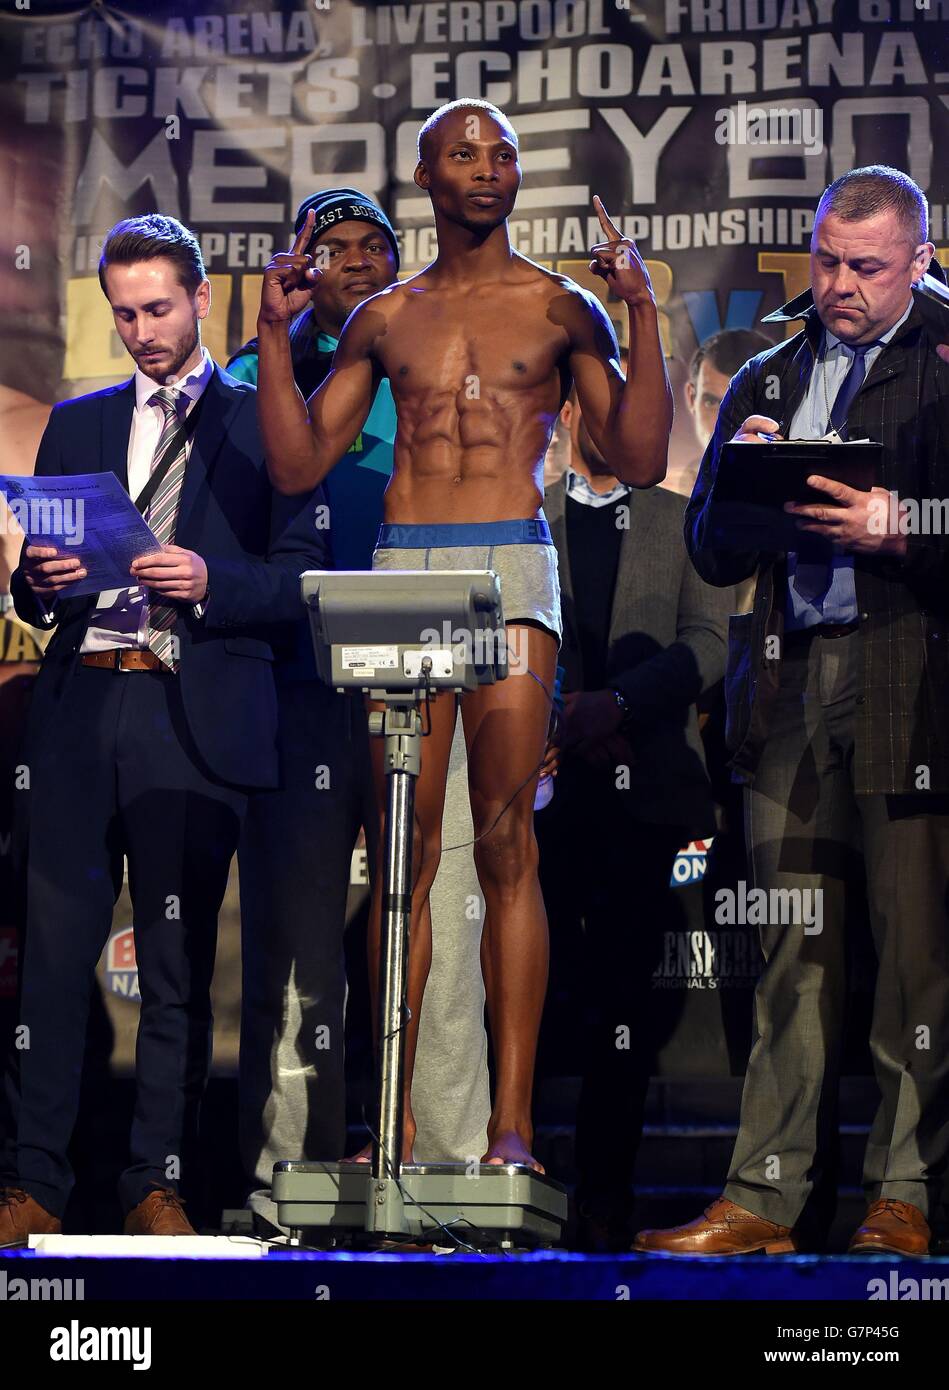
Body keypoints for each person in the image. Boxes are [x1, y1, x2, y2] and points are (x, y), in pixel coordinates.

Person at [255, 98, 672, 1171]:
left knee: (504, 844)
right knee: (402, 857)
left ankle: (510, 1129)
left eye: (502, 155)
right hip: (406, 563)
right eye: (463, 155)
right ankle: (393, 1129)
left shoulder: (561, 304)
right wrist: (267, 330)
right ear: (428, 178)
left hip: (512, 560)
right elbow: (299, 468)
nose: (487, 169)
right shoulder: (386, 316)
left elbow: (638, 456)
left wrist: (641, 317)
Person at [636, 166, 949, 1257]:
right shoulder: (769, 373)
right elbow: (711, 545)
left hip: (910, 677)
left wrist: (905, 522)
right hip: (784, 678)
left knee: (914, 958)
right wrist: (749, 481)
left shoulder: (944, 363)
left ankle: (901, 1193)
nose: (840, 284)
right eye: (826, 261)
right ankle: (765, 1198)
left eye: (865, 266)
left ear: (919, 259)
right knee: (790, 949)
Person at [0, 214, 326, 1243]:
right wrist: (36, 578)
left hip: (193, 711)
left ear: (200, 302)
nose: (142, 330)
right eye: (124, 312)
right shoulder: (78, 420)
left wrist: (209, 580)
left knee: (176, 971)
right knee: (53, 967)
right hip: (80, 706)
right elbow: (41, 583)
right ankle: (35, 1182)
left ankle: (159, 1183)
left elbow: (301, 583)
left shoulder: (260, 419)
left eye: (158, 308)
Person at [228, 190, 489, 1228]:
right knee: (296, 946)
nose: (353, 259)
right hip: (296, 688)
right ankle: (285, 1179)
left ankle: (441, 1162)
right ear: (298, 263)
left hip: (425, 672)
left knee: (440, 916)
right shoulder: (255, 382)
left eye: (373, 243)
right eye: (329, 246)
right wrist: (273, 341)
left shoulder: (432, 365)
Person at [539, 364, 732, 1247]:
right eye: (598, 404)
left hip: (644, 791)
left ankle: (602, 1201)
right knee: (533, 999)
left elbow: (707, 642)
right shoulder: (525, 517)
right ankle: (520, 1176)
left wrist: (613, 709)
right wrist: (565, 714)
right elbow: (490, 628)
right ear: (570, 411)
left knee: (621, 1003)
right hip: (533, 792)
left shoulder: (679, 518)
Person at [668, 329, 773, 499]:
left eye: (743, 403)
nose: (724, 420)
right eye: (711, 402)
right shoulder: (662, 493)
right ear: (691, 397)